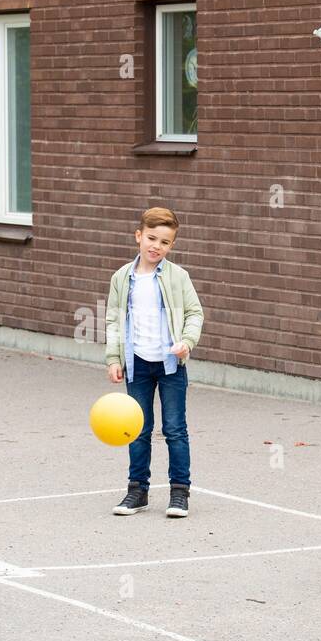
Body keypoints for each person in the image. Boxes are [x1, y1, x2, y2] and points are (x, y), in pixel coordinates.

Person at [104, 207, 203, 519]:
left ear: (171, 246)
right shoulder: (122, 278)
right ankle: (137, 491)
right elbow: (113, 320)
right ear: (138, 236)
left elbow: (194, 313)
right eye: (151, 238)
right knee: (137, 429)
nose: (156, 246)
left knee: (174, 428)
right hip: (137, 364)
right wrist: (113, 358)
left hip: (171, 364)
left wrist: (186, 342)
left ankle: (179, 492)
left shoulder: (178, 277)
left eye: (164, 241)